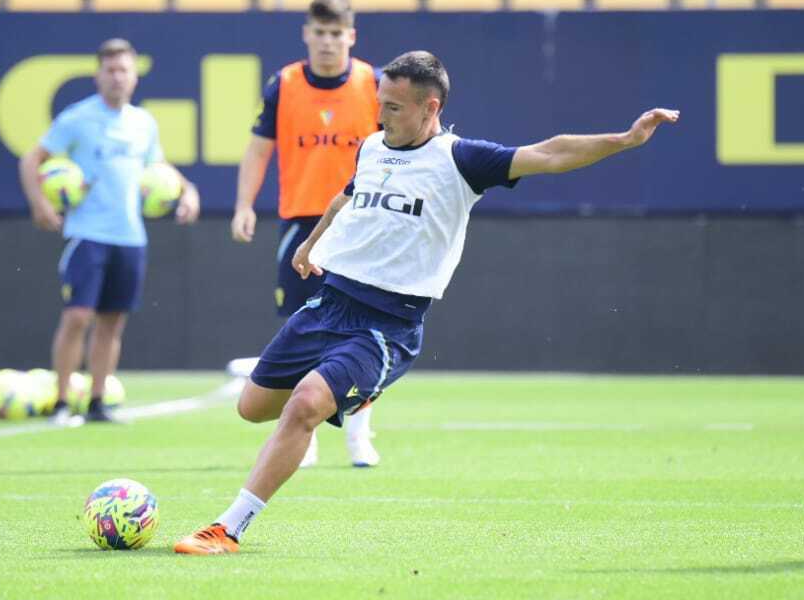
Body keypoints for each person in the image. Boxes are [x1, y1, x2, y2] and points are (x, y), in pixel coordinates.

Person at [176, 50, 678, 553]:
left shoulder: (461, 160)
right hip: (328, 304)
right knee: (253, 408)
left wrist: (625, 139)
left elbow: (550, 153)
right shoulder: (372, 146)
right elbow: (346, 196)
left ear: (429, 107)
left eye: (394, 107)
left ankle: (228, 528)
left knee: (305, 405)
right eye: (380, 103)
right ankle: (356, 391)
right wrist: (310, 246)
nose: (380, 115)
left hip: (385, 326)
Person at [232, 0, 383, 468]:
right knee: (302, 326)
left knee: (365, 328)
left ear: (351, 36)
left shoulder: (372, 83)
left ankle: (360, 431)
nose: (327, 42)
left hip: (361, 222)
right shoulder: (284, 84)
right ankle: (307, 430)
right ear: (306, 34)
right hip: (301, 222)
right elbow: (259, 149)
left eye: (336, 33)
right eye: (319, 32)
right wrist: (243, 204)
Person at [19, 38, 199, 426]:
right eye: (110, 70)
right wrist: (40, 203)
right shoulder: (77, 118)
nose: (117, 77)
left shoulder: (143, 123)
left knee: (112, 322)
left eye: (124, 70)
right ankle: (62, 402)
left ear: (134, 77)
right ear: (98, 76)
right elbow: (31, 158)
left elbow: (159, 167)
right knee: (78, 317)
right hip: (89, 234)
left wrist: (188, 190)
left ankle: (98, 400)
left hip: (131, 237)